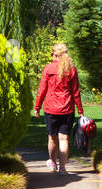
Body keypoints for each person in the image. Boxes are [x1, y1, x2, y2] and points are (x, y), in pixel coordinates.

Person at [34, 42, 83, 175]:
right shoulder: (71, 69)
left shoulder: (48, 68)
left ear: (55, 54)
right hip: (67, 109)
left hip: (51, 109)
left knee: (52, 138)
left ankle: (53, 162)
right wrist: (80, 110)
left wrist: (37, 107)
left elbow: (42, 90)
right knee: (64, 139)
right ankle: (63, 168)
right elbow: (76, 92)